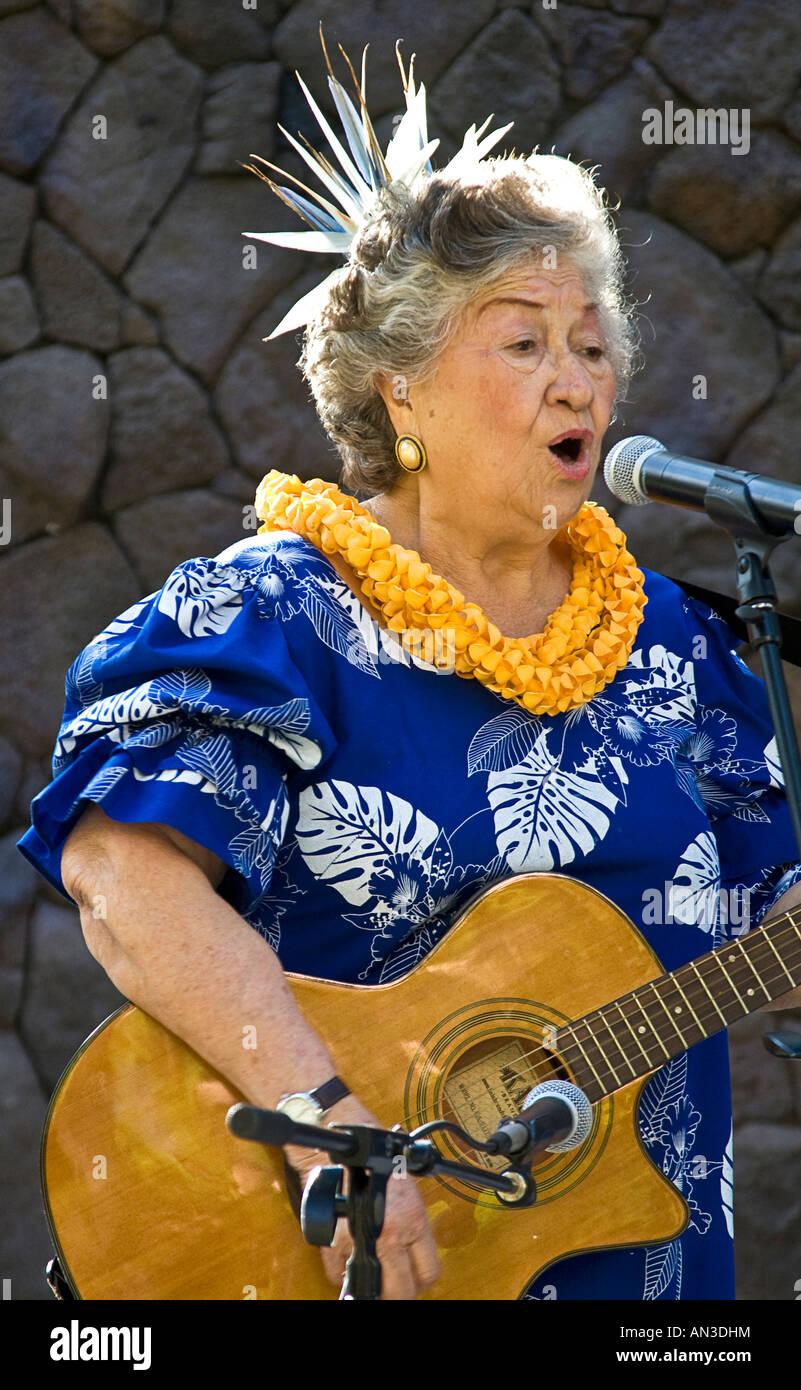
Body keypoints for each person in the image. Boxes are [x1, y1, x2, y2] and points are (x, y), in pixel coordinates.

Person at [18, 34, 801, 1301]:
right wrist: (326, 1116)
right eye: (525, 343)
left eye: (593, 347)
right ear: (401, 396)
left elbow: (775, 922)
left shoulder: (678, 649)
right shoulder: (270, 613)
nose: (580, 384)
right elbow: (124, 872)